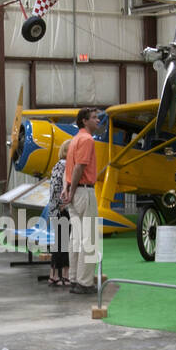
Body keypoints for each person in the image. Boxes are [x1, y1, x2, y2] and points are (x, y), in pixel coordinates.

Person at [62, 107, 102, 294]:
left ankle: (73, 279)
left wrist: (67, 189)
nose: (98, 120)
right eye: (94, 118)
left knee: (75, 238)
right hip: (84, 191)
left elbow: (67, 169)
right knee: (89, 237)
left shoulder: (74, 140)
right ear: (84, 121)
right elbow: (79, 167)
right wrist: (75, 188)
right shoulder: (87, 140)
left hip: (74, 192)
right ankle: (85, 282)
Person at [46, 141, 71, 286]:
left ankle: (53, 274)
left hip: (55, 210)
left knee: (59, 243)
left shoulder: (57, 165)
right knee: (64, 244)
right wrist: (63, 204)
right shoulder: (65, 166)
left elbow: (54, 188)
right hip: (62, 210)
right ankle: (65, 275)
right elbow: (59, 188)